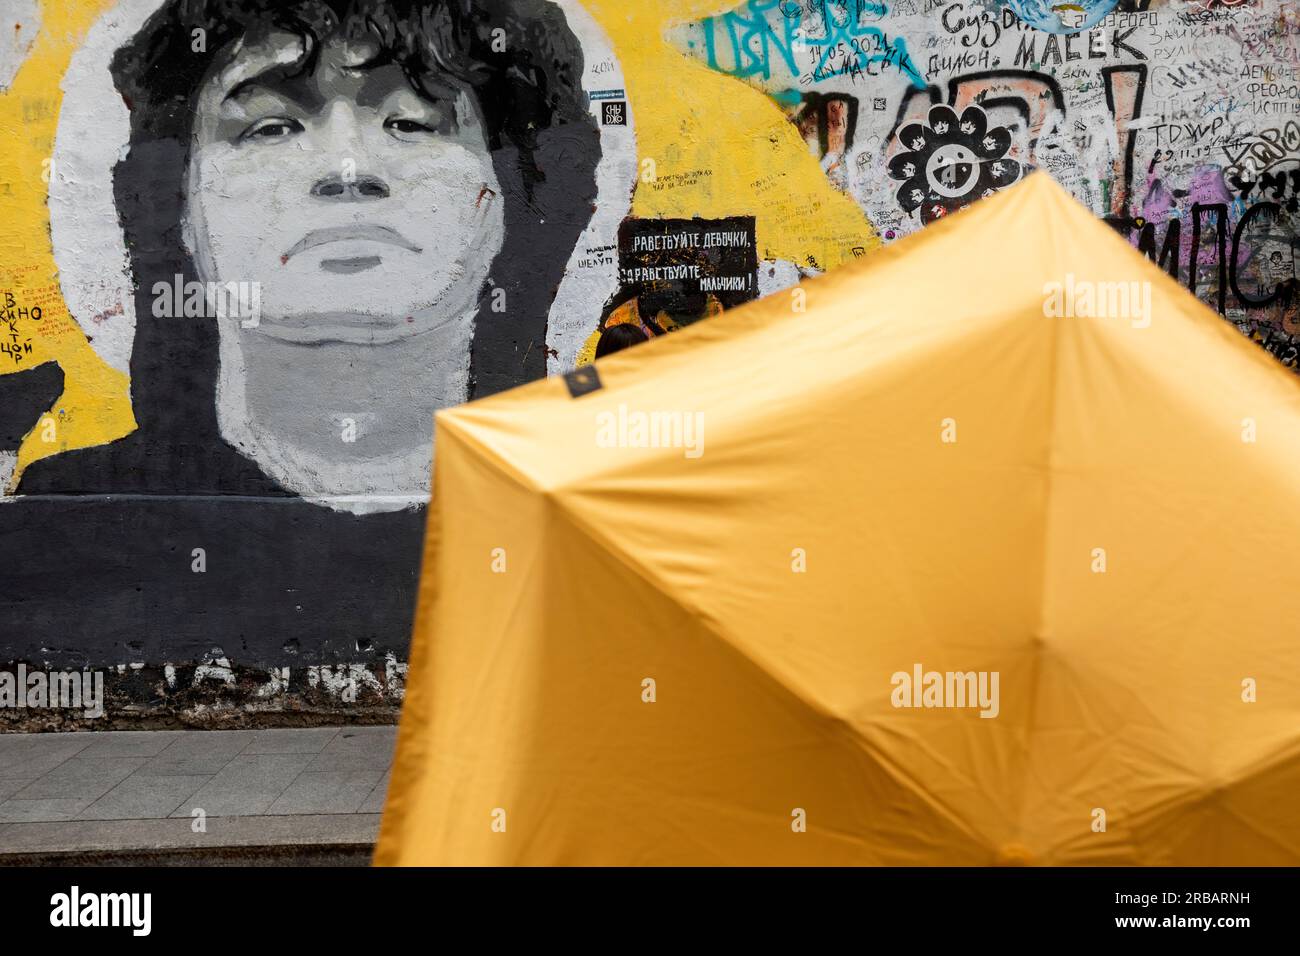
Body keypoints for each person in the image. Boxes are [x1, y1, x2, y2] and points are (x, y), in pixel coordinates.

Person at [3, 0, 600, 676]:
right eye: (270, 127)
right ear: (181, 203)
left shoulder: (605, 515)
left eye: (410, 121)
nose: (347, 169)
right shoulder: (74, 519)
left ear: (506, 193)